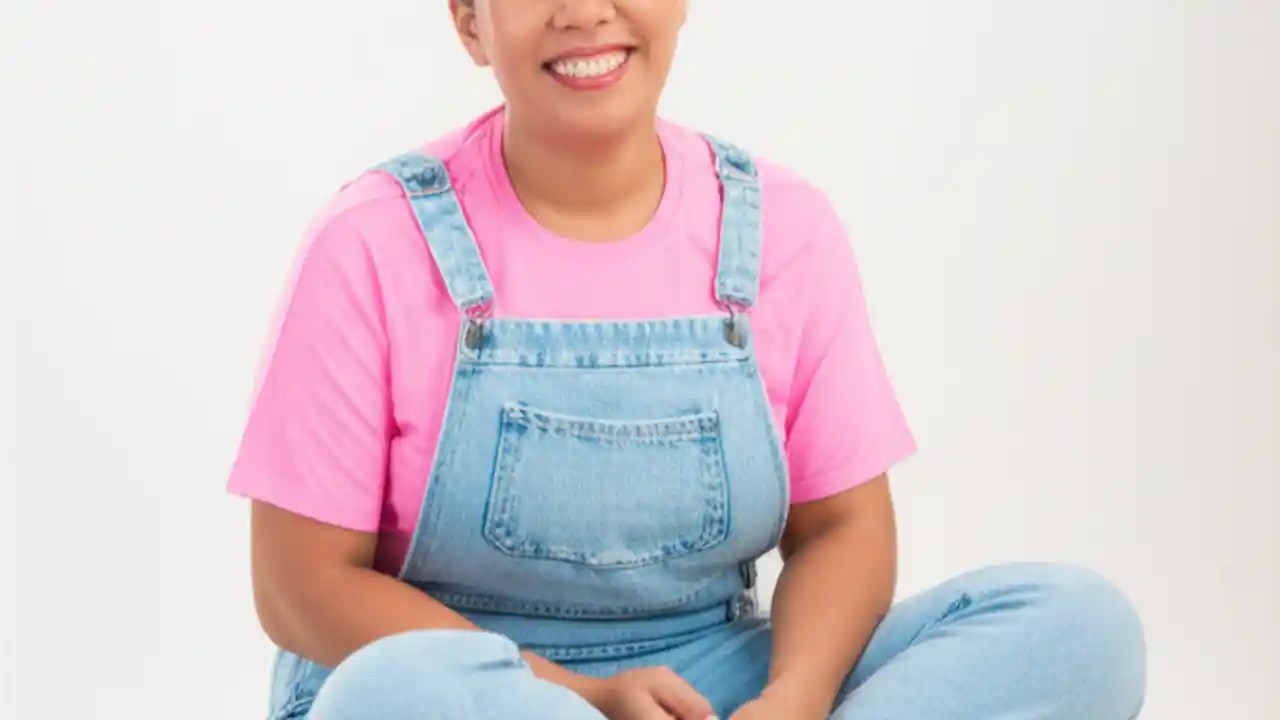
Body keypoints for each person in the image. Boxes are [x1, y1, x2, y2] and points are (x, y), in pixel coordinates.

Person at [228, 1, 1147, 718]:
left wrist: (792, 700)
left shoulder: (783, 229)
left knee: (1077, 630)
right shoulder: (372, 242)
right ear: (470, 21)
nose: (586, 11)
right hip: (478, 687)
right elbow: (299, 586)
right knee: (396, 699)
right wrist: (579, 698)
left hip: (710, 681)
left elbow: (842, 530)